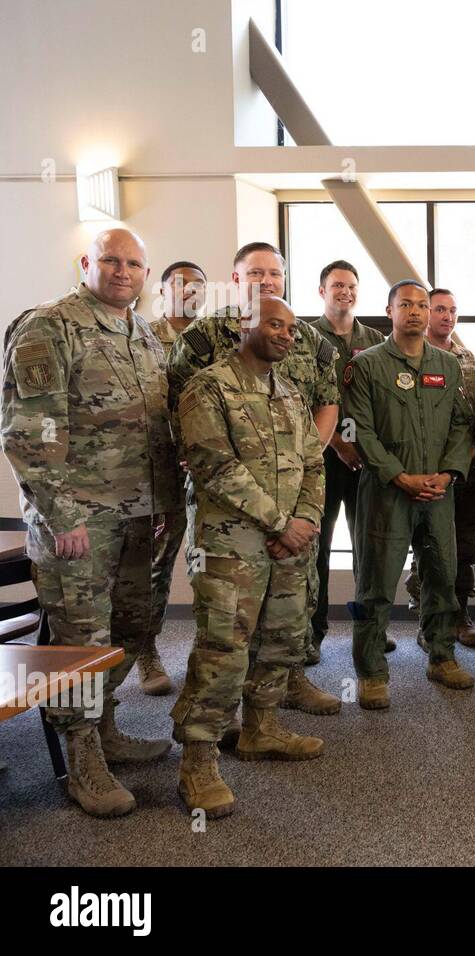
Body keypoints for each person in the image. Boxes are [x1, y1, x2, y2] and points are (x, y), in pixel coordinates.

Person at [0, 227, 179, 818]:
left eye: (133, 263)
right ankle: (83, 759)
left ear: (145, 273)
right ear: (86, 262)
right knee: (82, 641)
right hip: (77, 524)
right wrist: (62, 516)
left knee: (132, 626)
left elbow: (155, 428)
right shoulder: (50, 326)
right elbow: (31, 433)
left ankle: (106, 728)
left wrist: (159, 505)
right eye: (111, 260)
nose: (123, 271)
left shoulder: (142, 332)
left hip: (136, 516)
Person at [168, 241, 341, 718]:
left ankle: (278, 699)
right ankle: (205, 737)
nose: (267, 282)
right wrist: (279, 519)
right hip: (231, 517)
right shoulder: (205, 347)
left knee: (289, 616)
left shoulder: (300, 350)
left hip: (292, 502)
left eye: (275, 274)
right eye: (256, 274)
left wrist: (302, 505)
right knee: (226, 632)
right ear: (236, 279)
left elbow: (323, 412)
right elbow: (180, 418)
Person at [172, 297, 325, 817]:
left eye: (291, 328)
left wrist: (303, 523)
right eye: (274, 324)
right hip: (232, 544)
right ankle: (198, 759)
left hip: (289, 544)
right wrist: (283, 523)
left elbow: (314, 464)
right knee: (223, 649)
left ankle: (261, 728)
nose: (285, 334)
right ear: (245, 326)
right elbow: (214, 465)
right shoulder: (208, 387)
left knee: (283, 637)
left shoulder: (291, 393)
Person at [342, 281, 474, 708]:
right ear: (389, 310)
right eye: (406, 305)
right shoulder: (367, 366)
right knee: (375, 584)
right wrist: (399, 477)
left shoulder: (447, 365)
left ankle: (441, 655)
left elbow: (460, 425)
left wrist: (450, 473)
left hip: (438, 491)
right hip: (386, 493)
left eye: (423, 305)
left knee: (441, 576)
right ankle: (371, 672)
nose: (416, 312)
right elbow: (359, 430)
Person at [307, 260, 383, 665]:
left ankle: (368, 630)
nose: (345, 292)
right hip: (321, 458)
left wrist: (365, 449)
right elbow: (301, 399)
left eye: (351, 285)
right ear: (322, 291)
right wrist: (337, 443)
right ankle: (313, 631)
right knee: (316, 548)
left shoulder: (373, 339)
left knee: (367, 549)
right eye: (337, 285)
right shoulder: (304, 337)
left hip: (366, 460)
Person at [138, 259, 207, 696]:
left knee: (209, 566)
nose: (190, 292)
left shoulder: (215, 340)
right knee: (156, 565)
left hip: (208, 475)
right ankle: (147, 652)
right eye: (181, 286)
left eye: (198, 286)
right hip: (160, 474)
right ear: (163, 291)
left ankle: (207, 656)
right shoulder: (142, 337)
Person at [404, 288, 475, 649]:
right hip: (424, 469)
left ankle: (459, 614)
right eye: (439, 309)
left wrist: (469, 455)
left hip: (465, 469)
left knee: (466, 544)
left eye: (452, 310)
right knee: (430, 546)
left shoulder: (467, 359)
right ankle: (430, 620)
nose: (446, 316)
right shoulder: (411, 355)